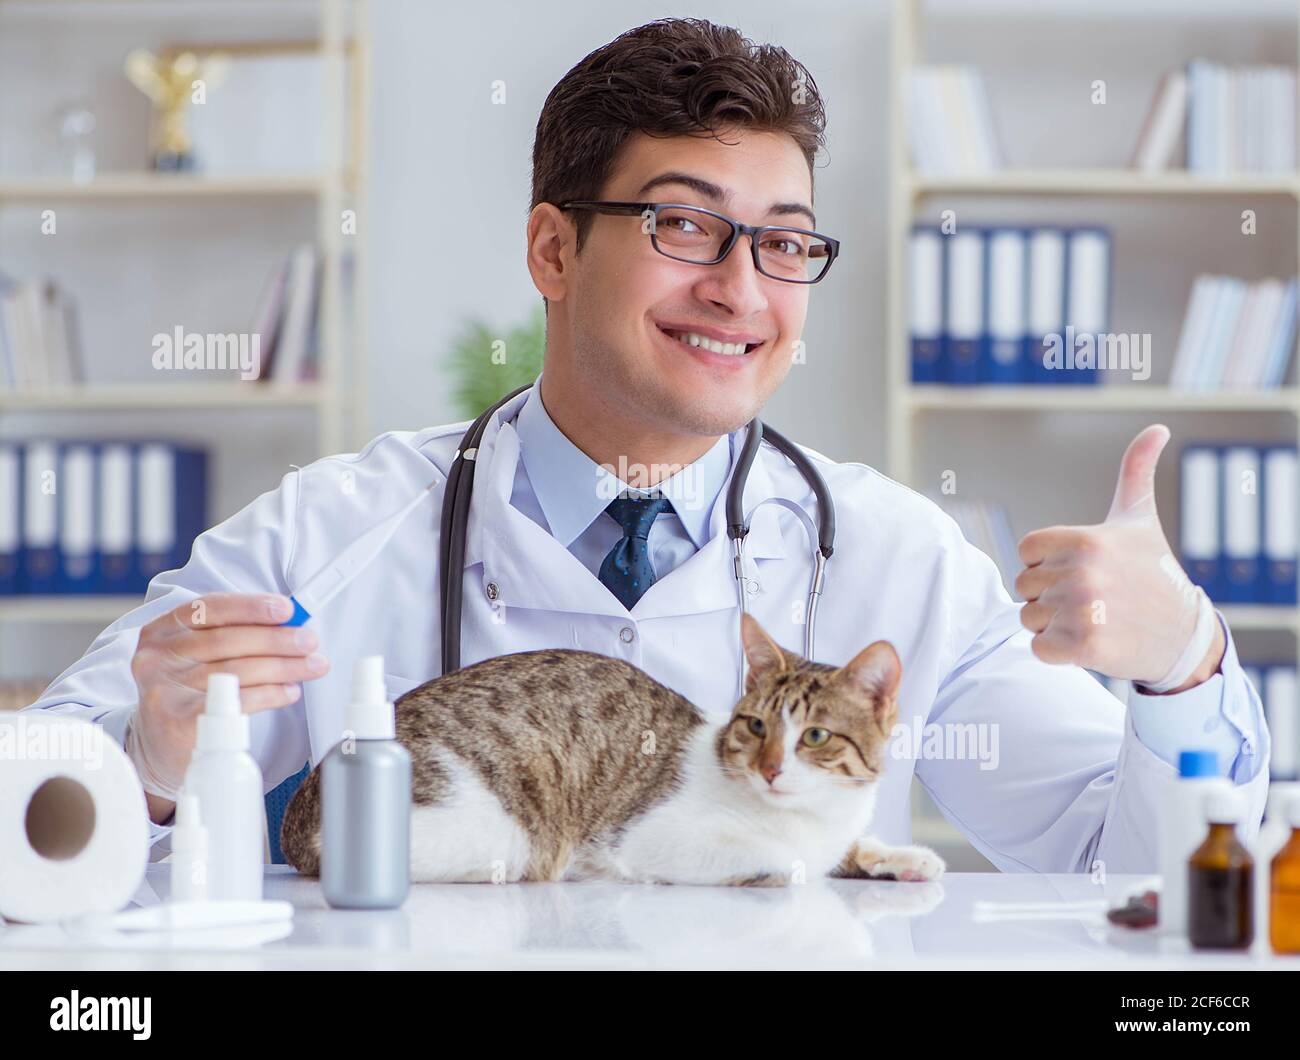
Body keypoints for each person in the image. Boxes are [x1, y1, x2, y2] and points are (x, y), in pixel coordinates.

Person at [23, 18, 1267, 872]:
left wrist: (1181, 667)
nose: (741, 289)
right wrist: (151, 762)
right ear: (552, 252)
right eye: (684, 226)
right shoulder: (328, 532)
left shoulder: (898, 554)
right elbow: (36, 824)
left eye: (784, 242)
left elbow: (1130, 877)